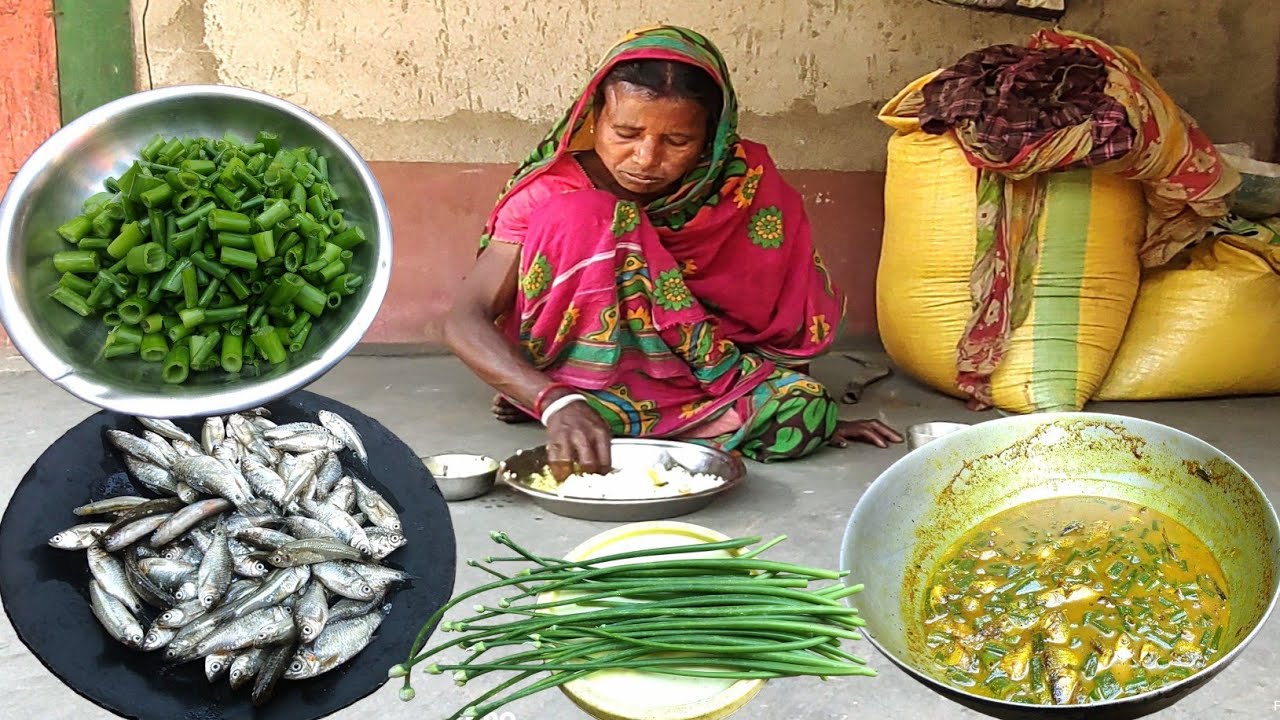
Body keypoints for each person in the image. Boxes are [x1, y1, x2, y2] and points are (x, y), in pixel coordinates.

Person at [445, 25, 902, 477]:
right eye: (625, 132)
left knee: (806, 412)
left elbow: (772, 326)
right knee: (592, 213)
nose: (645, 159)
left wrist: (780, 391)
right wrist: (553, 399)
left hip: (699, 373)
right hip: (579, 378)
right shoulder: (550, 193)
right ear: (592, 119)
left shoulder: (739, 182)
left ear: (712, 138)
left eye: (677, 141)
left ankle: (599, 417)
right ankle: (572, 404)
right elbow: (467, 317)